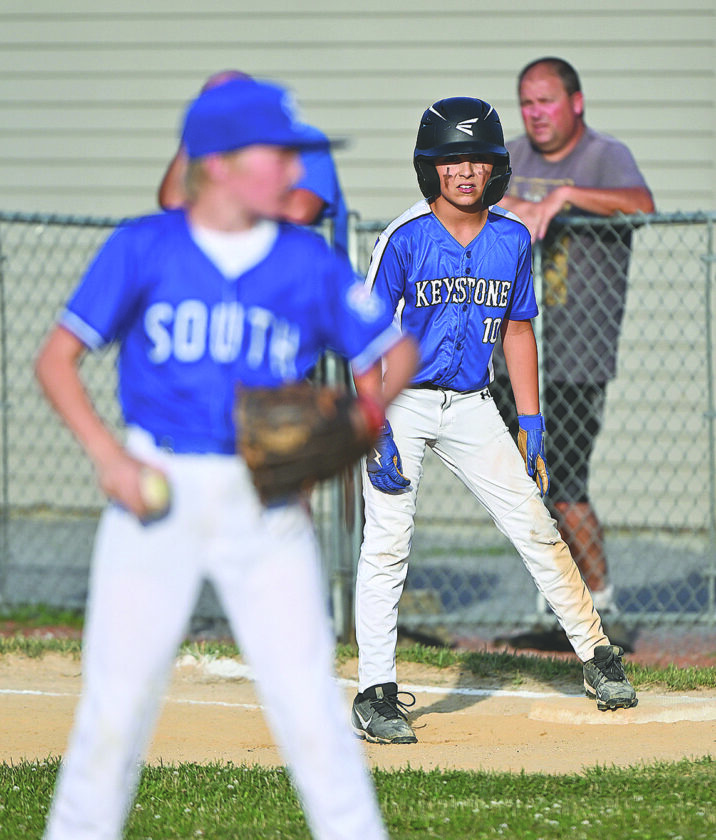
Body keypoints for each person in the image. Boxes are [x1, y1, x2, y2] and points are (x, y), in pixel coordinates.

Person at [35, 77, 418, 840]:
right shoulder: (144, 246)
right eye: (279, 154)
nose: (296, 170)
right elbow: (56, 360)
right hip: (156, 491)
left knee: (310, 708)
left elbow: (396, 349)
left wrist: (364, 417)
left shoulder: (307, 261)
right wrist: (109, 457)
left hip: (265, 502)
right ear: (219, 163)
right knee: (113, 711)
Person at [351, 95, 638, 746]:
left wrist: (530, 422)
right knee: (387, 541)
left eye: (477, 160)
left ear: (496, 167)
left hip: (473, 404)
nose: (464, 172)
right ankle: (374, 692)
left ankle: (596, 655)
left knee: (536, 525)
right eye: (450, 160)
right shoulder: (404, 237)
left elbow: (517, 328)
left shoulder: (510, 237)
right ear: (429, 167)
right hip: (400, 402)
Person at [494, 57, 655, 620]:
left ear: (576, 103)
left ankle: (600, 598)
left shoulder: (604, 156)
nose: (536, 113)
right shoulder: (510, 158)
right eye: (527, 102)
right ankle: (563, 598)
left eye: (547, 101)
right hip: (511, 352)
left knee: (565, 482)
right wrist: (506, 205)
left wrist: (564, 198)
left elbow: (642, 205)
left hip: (575, 355)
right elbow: (465, 201)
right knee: (525, 485)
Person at [158, 69, 349, 254]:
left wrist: (227, 206)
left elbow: (298, 213)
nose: (296, 172)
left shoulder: (303, 139)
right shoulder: (213, 148)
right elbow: (173, 204)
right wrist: (196, 136)